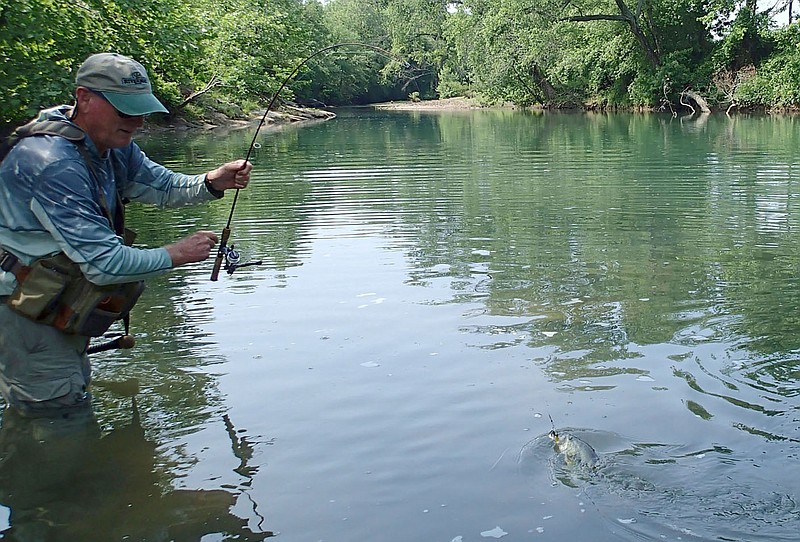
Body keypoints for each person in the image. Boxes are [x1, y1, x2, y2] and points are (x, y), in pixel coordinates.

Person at [0, 52, 252, 418]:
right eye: (124, 110)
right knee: (56, 425)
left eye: (141, 109)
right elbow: (105, 266)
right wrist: (177, 253)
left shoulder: (109, 145)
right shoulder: (52, 163)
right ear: (84, 98)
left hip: (52, 306)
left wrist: (211, 181)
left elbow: (161, 185)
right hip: (24, 316)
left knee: (67, 406)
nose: (137, 121)